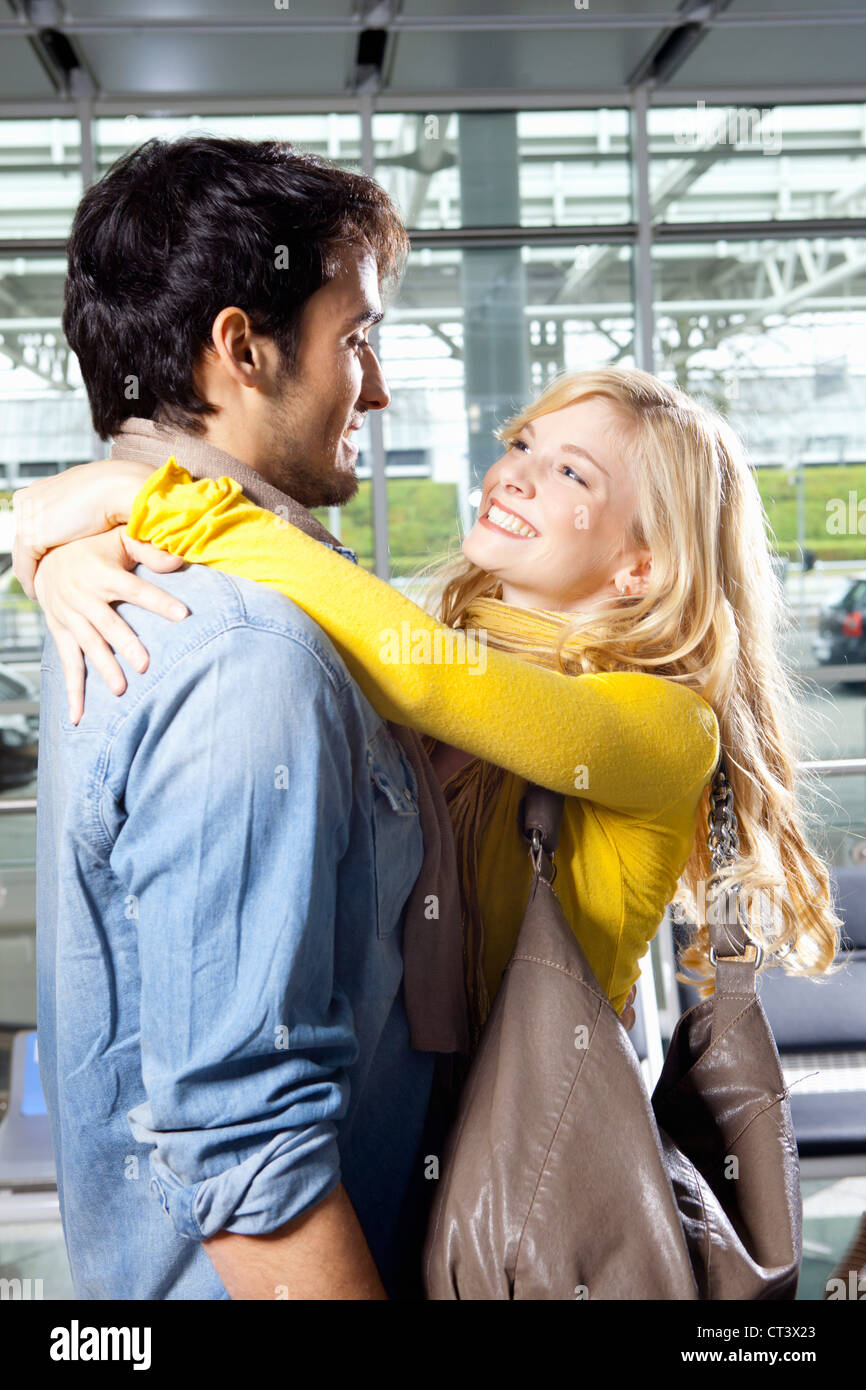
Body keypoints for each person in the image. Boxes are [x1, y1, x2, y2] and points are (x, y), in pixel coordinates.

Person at [19, 366, 843, 1070]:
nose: (513, 475)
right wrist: (77, 556)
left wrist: (142, 496)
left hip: (538, 1153)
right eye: (523, 444)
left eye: (572, 474)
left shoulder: (666, 728)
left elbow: (426, 677)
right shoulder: (435, 648)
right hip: (405, 1123)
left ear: (643, 567)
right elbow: (365, 632)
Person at [12, 133, 467, 1302]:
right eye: (354, 338)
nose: (377, 386)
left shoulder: (136, 575)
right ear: (240, 349)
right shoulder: (244, 652)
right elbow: (247, 1150)